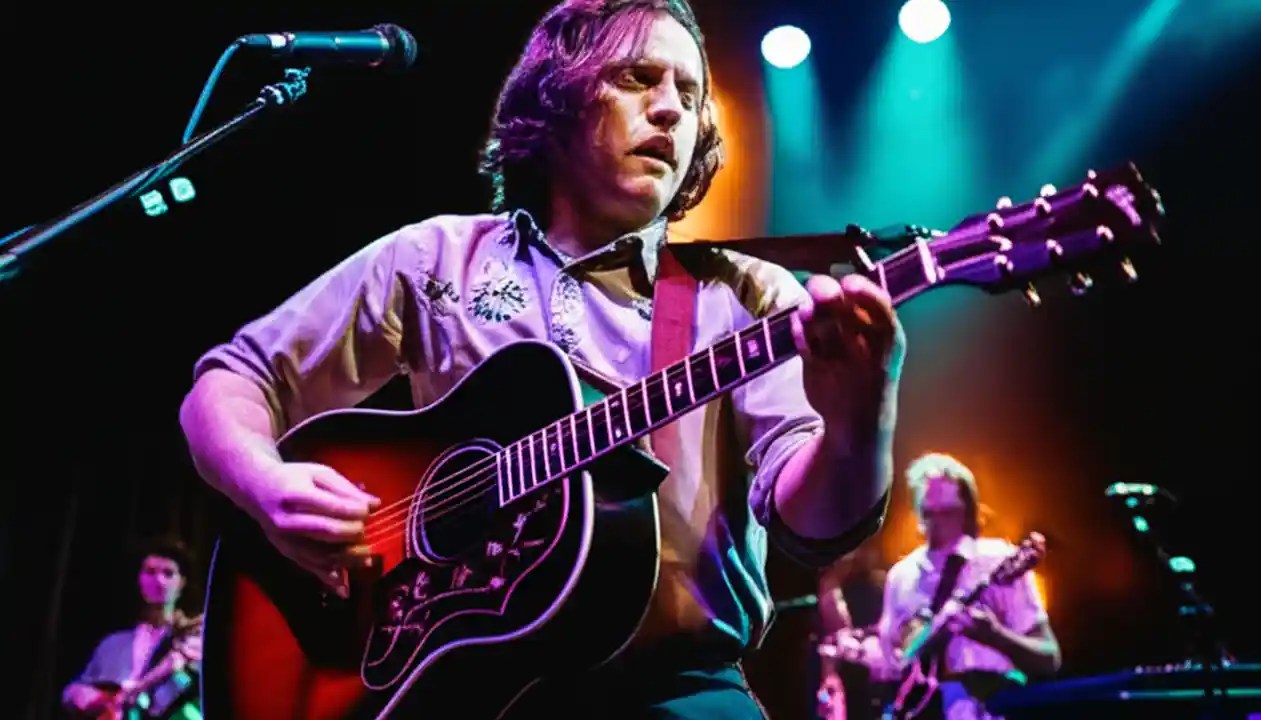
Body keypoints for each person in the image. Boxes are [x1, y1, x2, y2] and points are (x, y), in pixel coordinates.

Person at [178, 0, 907, 715]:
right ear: (555, 100)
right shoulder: (436, 260)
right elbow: (232, 381)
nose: (671, 110)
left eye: (689, 93)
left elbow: (813, 528)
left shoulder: (747, 298)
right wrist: (266, 485)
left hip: (677, 692)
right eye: (637, 78)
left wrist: (859, 421)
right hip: (451, 693)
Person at [876, 453, 1061, 720]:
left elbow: (1049, 658)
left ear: (968, 510)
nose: (937, 524)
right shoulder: (901, 576)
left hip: (994, 707)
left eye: (949, 512)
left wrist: (995, 635)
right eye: (929, 513)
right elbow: (892, 662)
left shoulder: (998, 560)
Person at [61, 537, 203, 719]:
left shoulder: (193, 639)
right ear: (139, 578)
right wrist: (97, 698)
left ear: (182, 582)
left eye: (168, 573)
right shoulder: (113, 644)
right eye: (150, 572)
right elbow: (72, 693)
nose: (158, 581)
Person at [813, 547, 891, 720]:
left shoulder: (877, 586)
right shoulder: (831, 587)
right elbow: (834, 631)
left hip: (866, 675)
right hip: (841, 674)